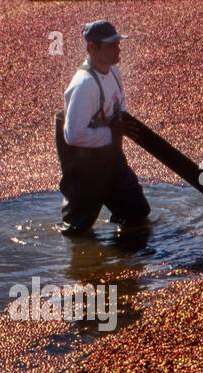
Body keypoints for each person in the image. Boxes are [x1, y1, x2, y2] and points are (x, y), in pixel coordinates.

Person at [57, 20, 150, 236]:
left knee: (137, 211)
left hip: (111, 155)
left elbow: (120, 100)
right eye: (111, 45)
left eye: (117, 43)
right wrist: (111, 133)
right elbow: (73, 135)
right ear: (92, 48)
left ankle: (125, 250)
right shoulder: (84, 85)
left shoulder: (113, 70)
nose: (118, 49)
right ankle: (84, 265)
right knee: (77, 228)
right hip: (84, 164)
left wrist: (120, 124)